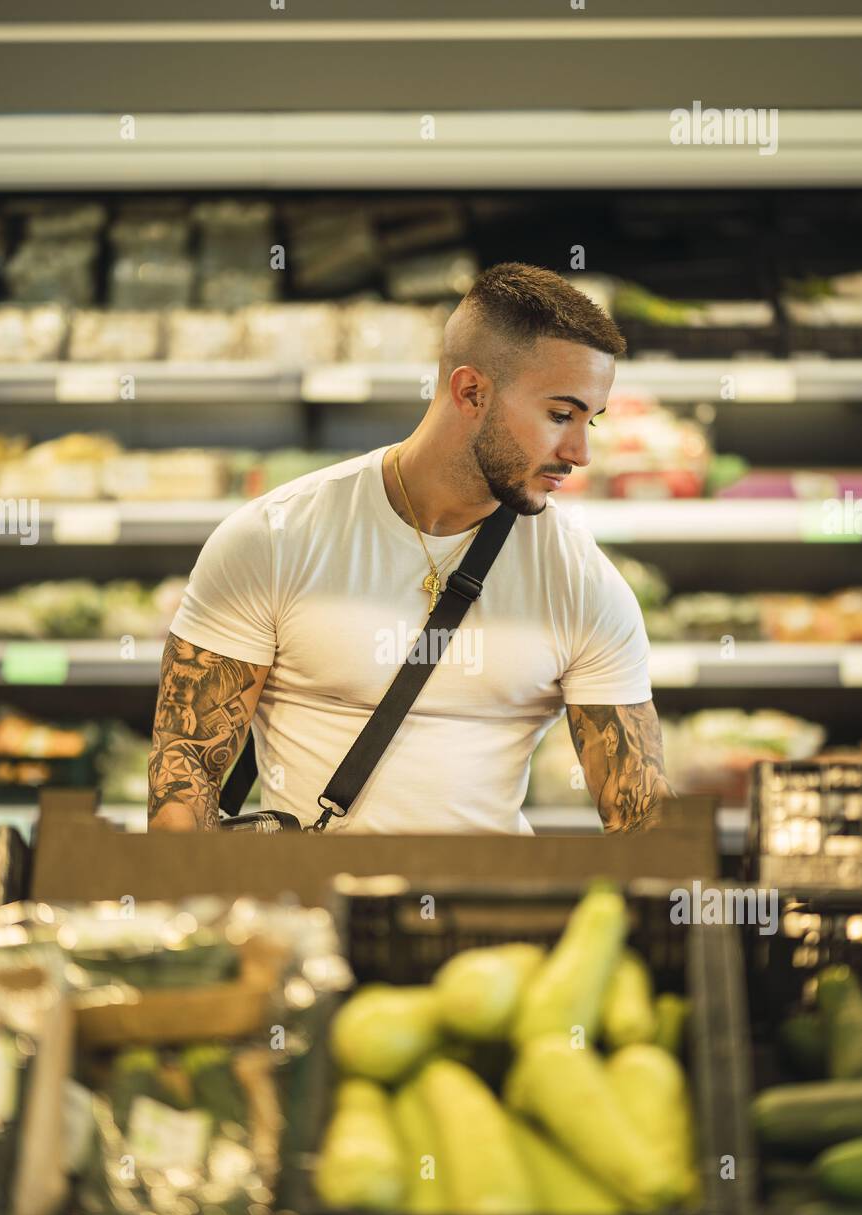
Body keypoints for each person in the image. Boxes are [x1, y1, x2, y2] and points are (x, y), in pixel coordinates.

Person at [148, 262, 673, 834]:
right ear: (470, 391)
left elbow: (641, 815)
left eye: (589, 421)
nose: (579, 452)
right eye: (559, 415)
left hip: (487, 913)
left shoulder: (582, 581)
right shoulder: (272, 539)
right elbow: (187, 768)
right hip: (308, 910)